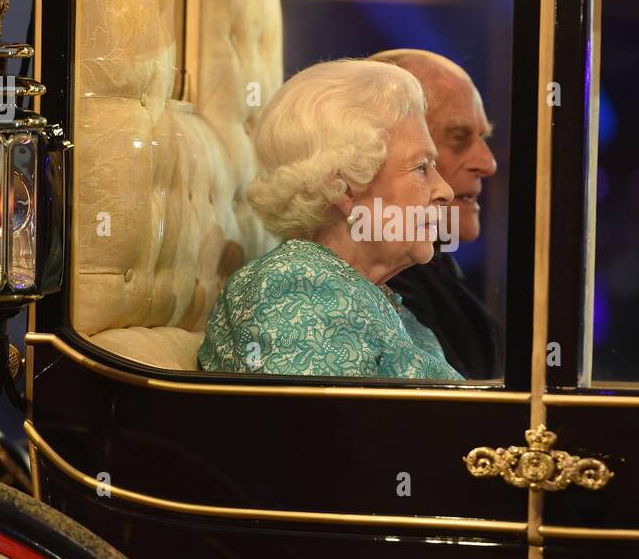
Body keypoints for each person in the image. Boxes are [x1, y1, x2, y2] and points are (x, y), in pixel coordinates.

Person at [198, 59, 462, 380]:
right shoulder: (296, 288)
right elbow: (317, 427)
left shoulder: (366, 292)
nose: (445, 190)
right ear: (346, 189)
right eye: (421, 167)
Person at [369, 49, 503, 379]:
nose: (488, 164)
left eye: (483, 138)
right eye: (458, 137)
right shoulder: (362, 288)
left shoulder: (433, 266)